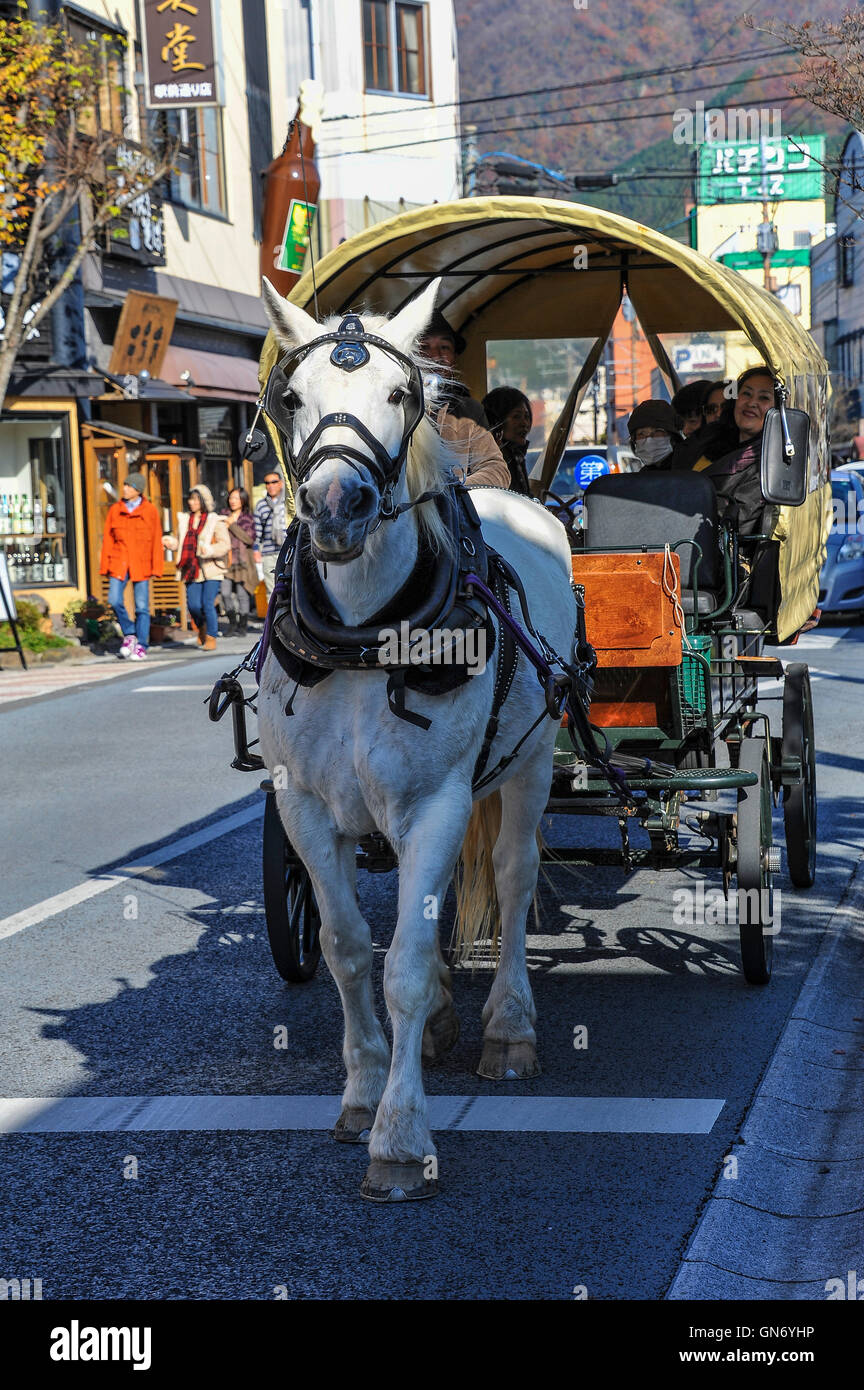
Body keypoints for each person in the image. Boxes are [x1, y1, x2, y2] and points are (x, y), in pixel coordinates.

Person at [691, 366, 776, 536]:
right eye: (746, 394)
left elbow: (737, 520)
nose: (752, 403)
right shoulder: (708, 445)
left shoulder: (770, 464)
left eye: (764, 397)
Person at [99, 471, 164, 662]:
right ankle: (129, 634)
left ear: (138, 490)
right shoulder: (115, 509)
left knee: (142, 607)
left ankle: (142, 645)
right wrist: (105, 566)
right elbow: (108, 540)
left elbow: (155, 540)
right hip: (118, 562)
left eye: (129, 486)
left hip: (141, 563)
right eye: (125, 485)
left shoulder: (150, 510)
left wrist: (156, 567)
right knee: (114, 600)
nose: (125, 489)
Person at [162, 484, 230, 650]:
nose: (192, 502)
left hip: (211, 569)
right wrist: (172, 543)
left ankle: (211, 637)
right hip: (190, 568)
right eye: (190, 499)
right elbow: (181, 542)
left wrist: (210, 550)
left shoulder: (215, 520)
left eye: (195, 499)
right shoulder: (185, 520)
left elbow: (225, 544)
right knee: (193, 606)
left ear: (204, 501)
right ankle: (202, 628)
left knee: (207, 603)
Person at [418, 308, 489, 427]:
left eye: (444, 347)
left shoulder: (471, 411)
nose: (435, 356)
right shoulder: (398, 405)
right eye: (425, 347)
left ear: (455, 357)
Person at [482, 385, 534, 495]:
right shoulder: (491, 462)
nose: (525, 423)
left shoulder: (516, 456)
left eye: (526, 416)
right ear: (496, 422)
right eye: (516, 416)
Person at [220, 486, 257, 635]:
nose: (233, 501)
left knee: (243, 594)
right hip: (226, 561)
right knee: (225, 593)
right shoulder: (223, 515)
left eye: (236, 498)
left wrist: (232, 525)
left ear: (243, 500)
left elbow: (249, 539)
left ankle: (242, 626)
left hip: (243, 562)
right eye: (231, 498)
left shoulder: (248, 517)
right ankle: (232, 623)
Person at [254, 468, 288, 596]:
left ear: (281, 483)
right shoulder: (261, 505)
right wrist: (256, 550)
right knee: (272, 590)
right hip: (268, 553)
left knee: (288, 587)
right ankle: (272, 616)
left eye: (274, 482)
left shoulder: (288, 503)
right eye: (267, 483)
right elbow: (257, 531)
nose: (270, 486)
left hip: (286, 551)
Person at [627, 400, 685, 469]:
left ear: (672, 437)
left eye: (657, 431)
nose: (649, 440)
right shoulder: (642, 476)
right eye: (641, 433)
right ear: (634, 441)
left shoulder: (689, 469)